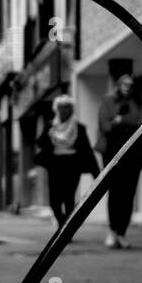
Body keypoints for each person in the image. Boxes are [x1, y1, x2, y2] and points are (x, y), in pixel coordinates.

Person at [95, 63, 142, 249]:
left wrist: (122, 120)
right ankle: (112, 231)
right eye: (125, 83)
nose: (128, 86)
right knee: (115, 192)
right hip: (113, 151)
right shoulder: (108, 100)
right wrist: (122, 123)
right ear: (118, 84)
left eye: (131, 84)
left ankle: (122, 232)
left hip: (133, 153)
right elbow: (105, 125)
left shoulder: (138, 102)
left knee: (128, 193)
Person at [35, 94, 100, 229]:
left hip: (72, 165)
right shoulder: (50, 127)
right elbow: (40, 142)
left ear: (71, 109)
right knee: (54, 200)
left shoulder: (78, 128)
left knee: (69, 197)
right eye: (60, 107)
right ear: (56, 109)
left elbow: (86, 149)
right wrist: (47, 137)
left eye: (67, 107)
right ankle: (61, 220)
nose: (63, 110)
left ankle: (67, 228)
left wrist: (96, 173)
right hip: (55, 165)